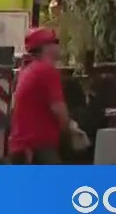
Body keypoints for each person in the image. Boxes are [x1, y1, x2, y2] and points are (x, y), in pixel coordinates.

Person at [6, 26, 86, 164]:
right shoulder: (46, 71)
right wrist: (72, 131)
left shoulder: (28, 70)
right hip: (37, 148)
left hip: (24, 147)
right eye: (56, 42)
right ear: (46, 47)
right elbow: (58, 109)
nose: (59, 46)